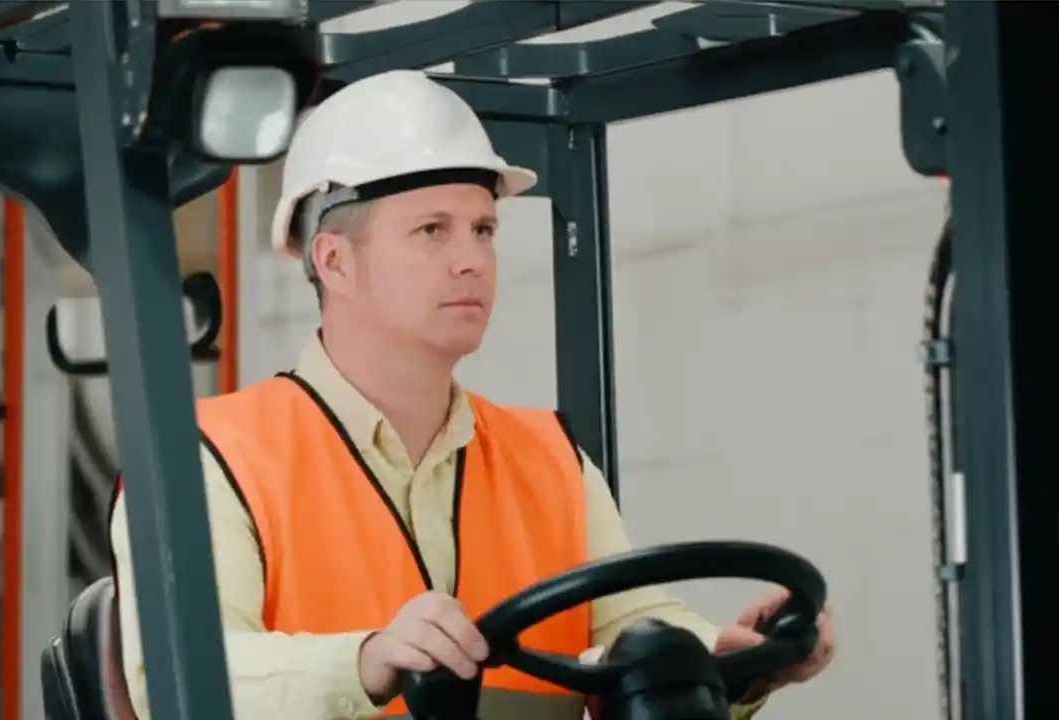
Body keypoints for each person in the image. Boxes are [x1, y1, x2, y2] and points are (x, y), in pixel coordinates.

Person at [109, 69, 836, 720]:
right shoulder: (207, 458)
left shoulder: (549, 459)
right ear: (334, 261)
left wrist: (739, 663)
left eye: (484, 230)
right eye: (433, 231)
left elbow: (630, 632)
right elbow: (179, 680)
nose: (472, 261)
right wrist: (365, 660)